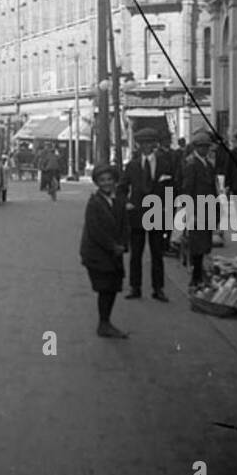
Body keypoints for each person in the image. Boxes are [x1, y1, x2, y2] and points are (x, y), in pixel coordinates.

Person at [120, 129, 174, 301]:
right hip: (136, 214)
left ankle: (158, 289)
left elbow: (172, 187)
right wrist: (126, 203)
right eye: (142, 143)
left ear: (154, 144)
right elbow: (122, 188)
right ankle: (135, 287)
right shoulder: (132, 165)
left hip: (157, 213)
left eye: (149, 143)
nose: (146, 147)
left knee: (157, 253)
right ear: (138, 145)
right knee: (136, 254)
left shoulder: (165, 163)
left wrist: (169, 207)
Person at [80, 163, 129, 338]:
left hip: (114, 252)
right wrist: (113, 246)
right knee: (105, 288)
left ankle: (106, 322)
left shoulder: (119, 200)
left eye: (109, 179)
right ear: (97, 183)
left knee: (113, 286)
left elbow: (124, 224)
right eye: (102, 180)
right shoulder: (94, 203)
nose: (107, 183)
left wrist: (123, 243)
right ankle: (104, 323)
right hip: (97, 253)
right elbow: (96, 231)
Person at [180, 127, 219, 287]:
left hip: (208, 208)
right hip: (197, 210)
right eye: (201, 147)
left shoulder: (208, 165)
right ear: (196, 147)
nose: (205, 149)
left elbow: (213, 189)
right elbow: (187, 189)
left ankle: (200, 274)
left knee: (205, 244)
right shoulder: (191, 165)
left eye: (206, 146)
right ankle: (195, 277)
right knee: (197, 245)